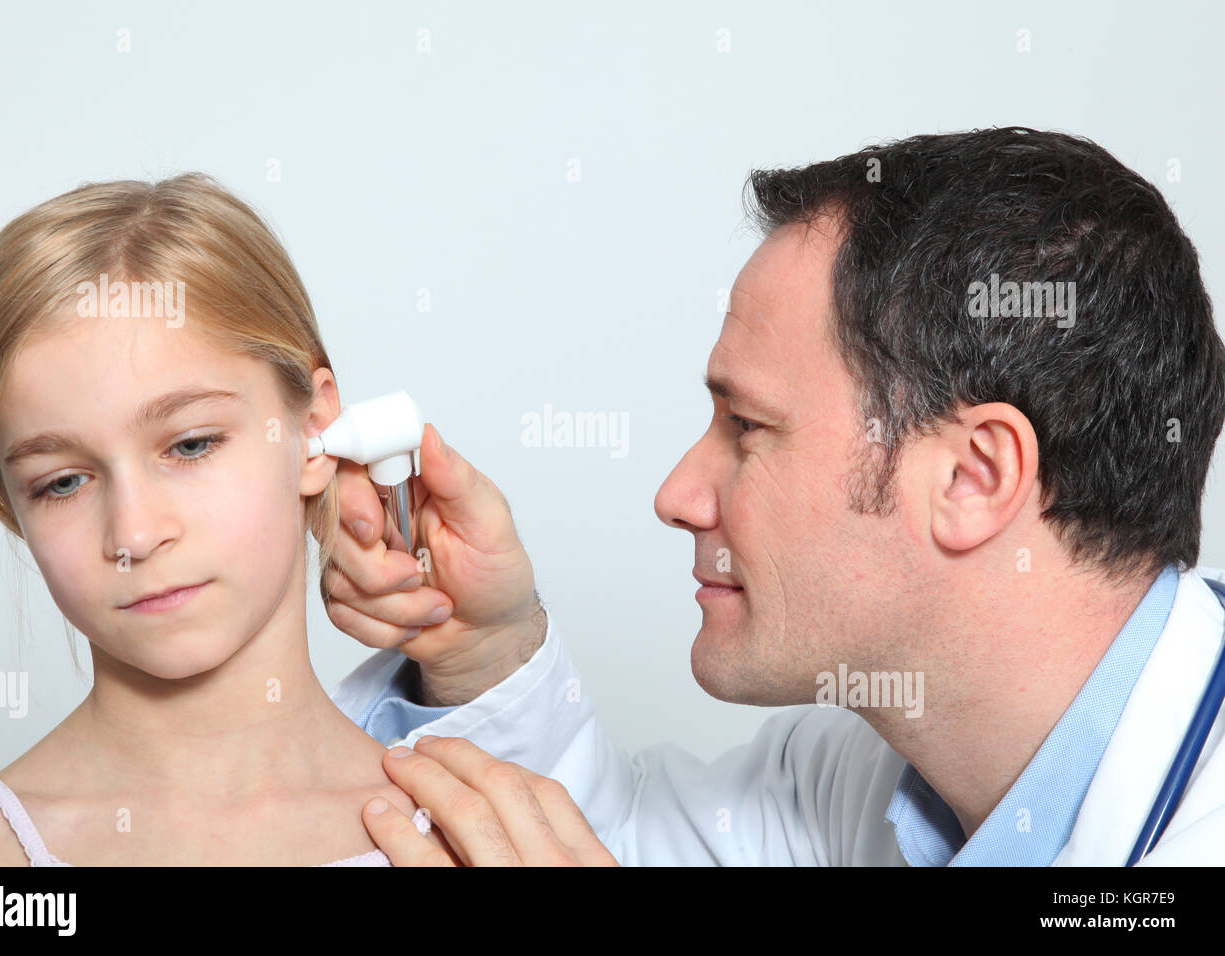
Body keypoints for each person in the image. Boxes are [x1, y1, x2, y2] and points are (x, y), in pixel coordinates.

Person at [327, 128, 1225, 865]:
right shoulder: (863, 773)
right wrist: (488, 654)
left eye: (747, 427)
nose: (677, 496)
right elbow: (596, 847)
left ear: (972, 477)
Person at [0, 172, 609, 866]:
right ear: (8, 501)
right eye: (62, 482)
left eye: (191, 445)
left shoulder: (498, 843)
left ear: (314, 427)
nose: (133, 535)